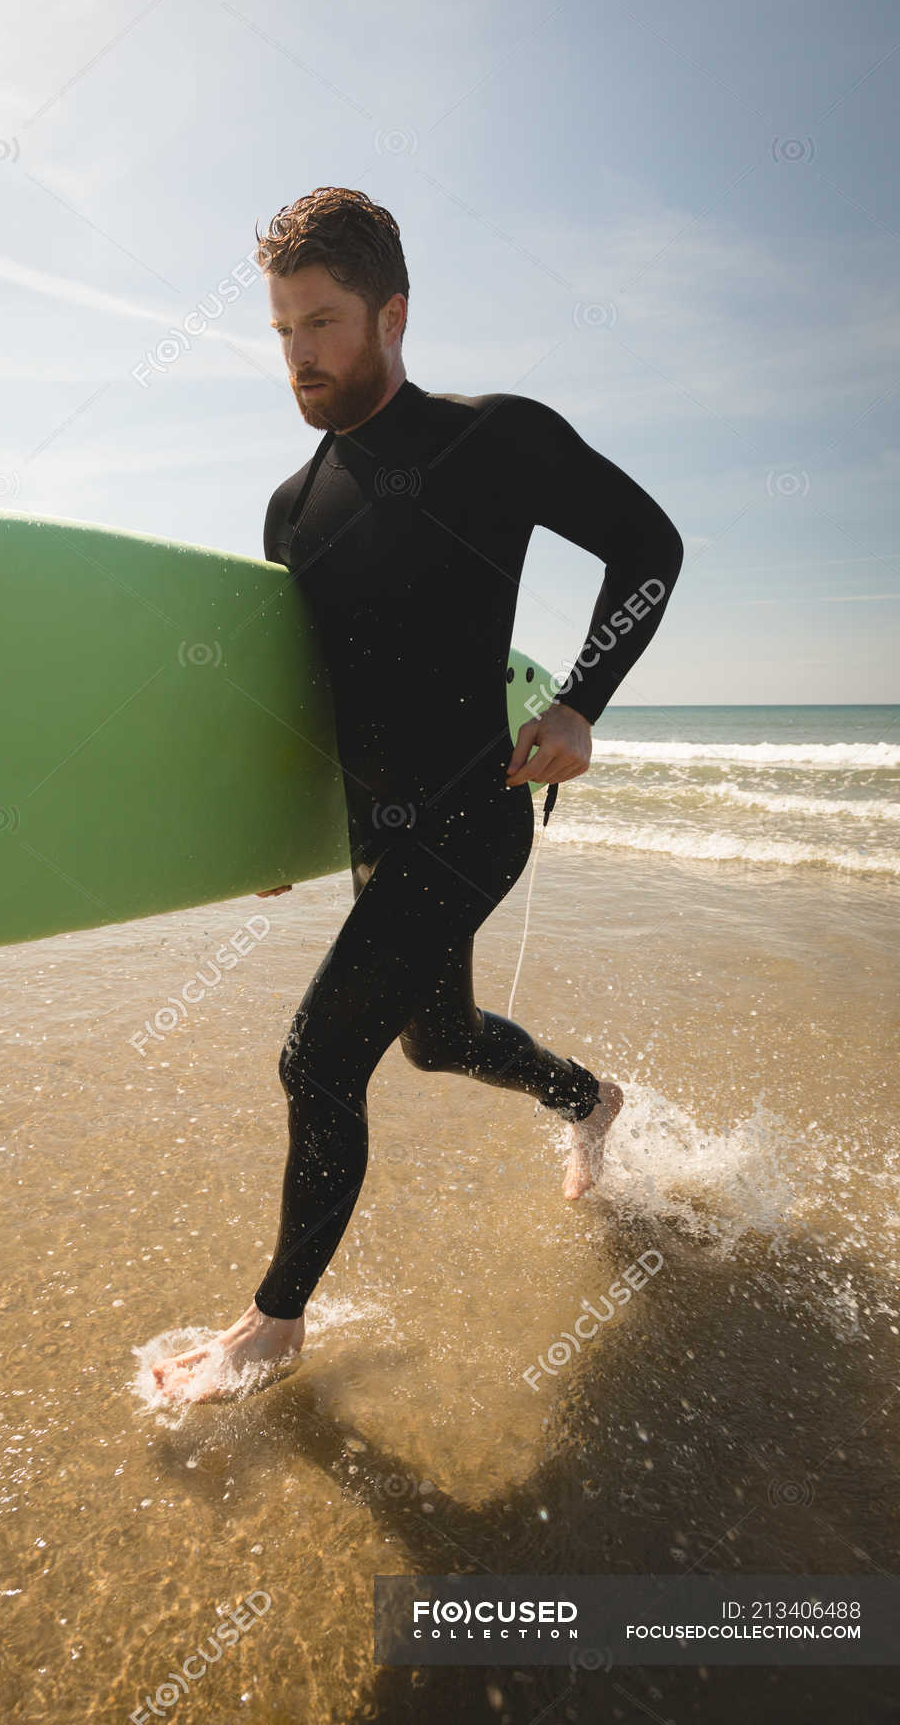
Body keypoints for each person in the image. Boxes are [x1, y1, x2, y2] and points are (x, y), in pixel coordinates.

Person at [152, 188, 683, 1404]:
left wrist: (583, 703)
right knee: (435, 1044)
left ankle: (273, 1327)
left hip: (477, 808)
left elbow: (650, 549)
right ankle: (592, 1100)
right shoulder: (292, 509)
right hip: (374, 831)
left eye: (324, 323)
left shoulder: (492, 439)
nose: (300, 355)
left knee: (317, 1059)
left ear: (392, 313)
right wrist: (272, 830)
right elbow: (312, 698)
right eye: (283, 329)